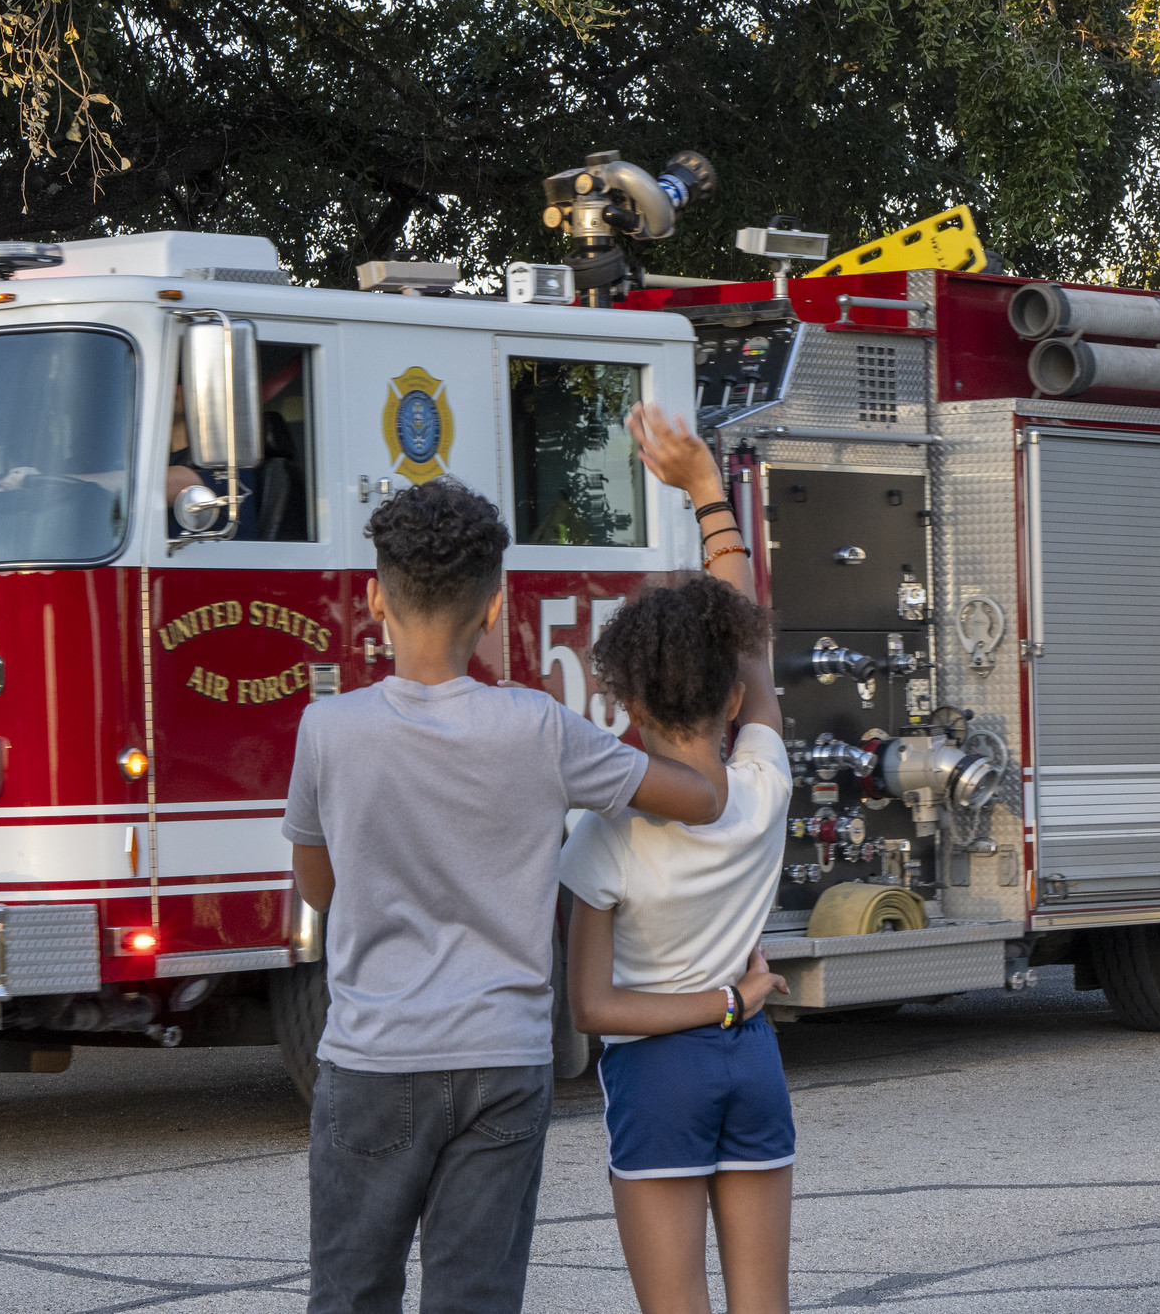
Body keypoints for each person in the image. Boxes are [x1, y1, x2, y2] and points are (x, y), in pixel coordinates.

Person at [282, 476, 724, 1314]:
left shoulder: (326, 729)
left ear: (375, 598)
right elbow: (698, 799)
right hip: (501, 1056)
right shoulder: (540, 726)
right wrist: (701, 723)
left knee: (348, 1292)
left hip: (373, 1057)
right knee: (476, 1297)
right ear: (495, 608)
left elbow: (318, 886)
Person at [561, 401, 794, 1314]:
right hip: (754, 1060)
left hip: (659, 1072)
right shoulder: (761, 785)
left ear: (624, 698)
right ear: (731, 694)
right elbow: (751, 648)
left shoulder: (605, 835)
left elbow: (591, 1005)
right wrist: (708, 494)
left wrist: (719, 999)